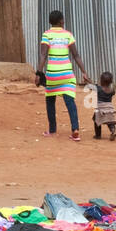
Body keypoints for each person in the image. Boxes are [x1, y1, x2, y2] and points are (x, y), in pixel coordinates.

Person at [38, 10, 90, 141]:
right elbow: (76, 55)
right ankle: (75, 129)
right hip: (67, 73)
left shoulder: (46, 35)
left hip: (53, 74)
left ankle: (52, 130)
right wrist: (84, 72)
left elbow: (43, 55)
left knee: (50, 100)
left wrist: (38, 73)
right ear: (61, 21)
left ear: (50, 22)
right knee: (70, 102)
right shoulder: (68, 35)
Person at [92, 71, 116, 141]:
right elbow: (113, 93)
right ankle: (112, 130)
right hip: (109, 107)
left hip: (100, 108)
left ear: (101, 81)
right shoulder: (112, 90)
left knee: (96, 121)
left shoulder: (98, 88)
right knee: (110, 121)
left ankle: (98, 135)